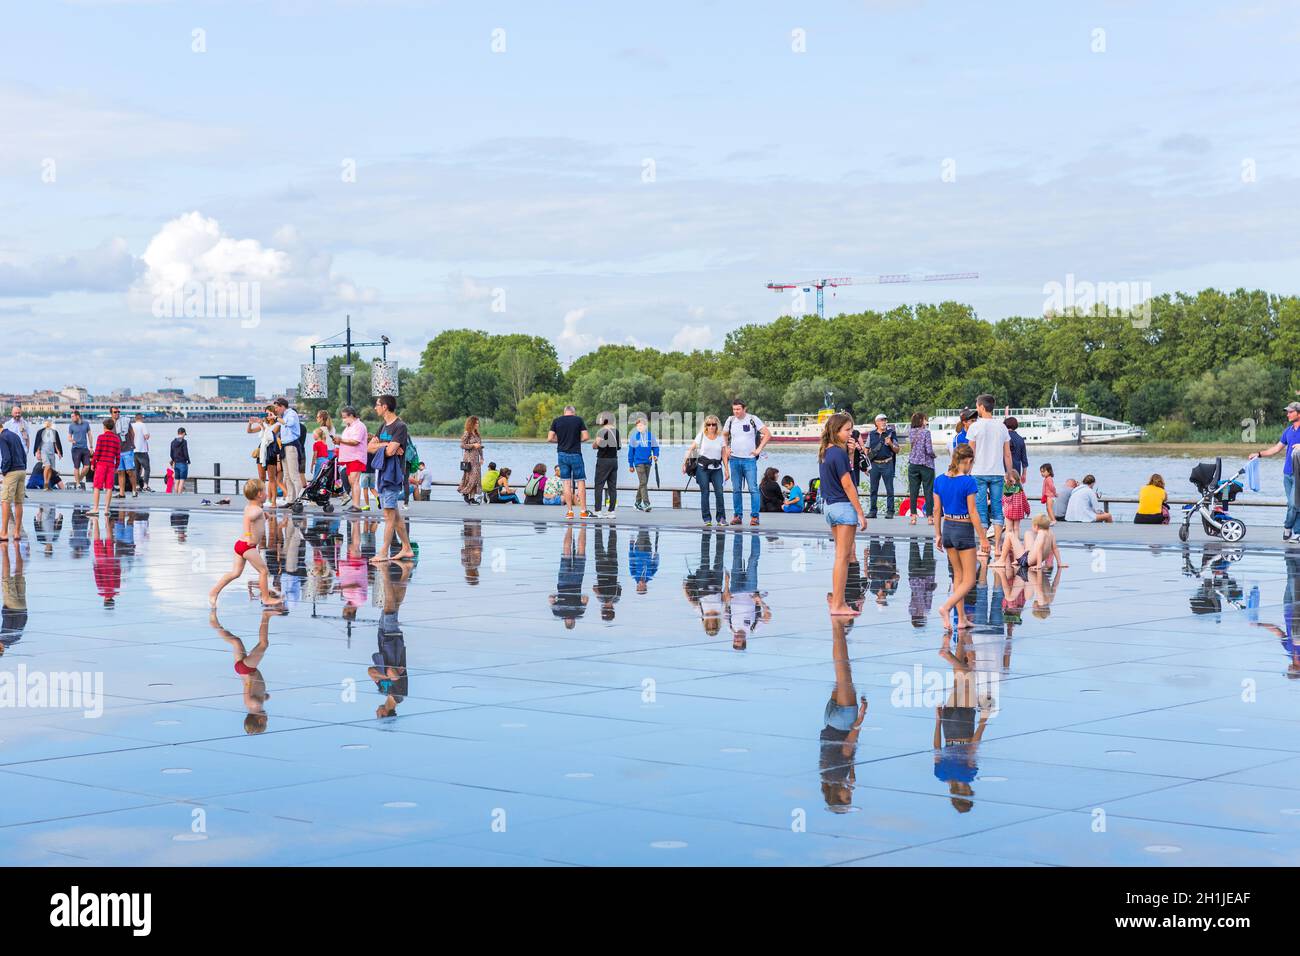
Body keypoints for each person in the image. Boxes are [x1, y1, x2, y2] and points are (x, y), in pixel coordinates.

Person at [933, 443, 988, 632]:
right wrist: (983, 538)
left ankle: (962, 618)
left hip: (947, 527)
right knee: (970, 579)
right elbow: (973, 512)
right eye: (972, 463)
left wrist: (938, 534)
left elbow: (936, 510)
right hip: (963, 529)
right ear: (968, 460)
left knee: (958, 575)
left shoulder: (939, 480)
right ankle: (946, 607)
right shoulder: (968, 481)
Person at [820, 413, 867, 616]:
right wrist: (860, 512)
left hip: (829, 507)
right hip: (843, 507)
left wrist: (849, 454)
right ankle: (838, 603)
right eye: (847, 430)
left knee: (841, 557)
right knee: (843, 558)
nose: (850, 433)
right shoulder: (838, 453)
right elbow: (848, 484)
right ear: (836, 431)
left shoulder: (826, 452)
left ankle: (837, 601)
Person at [208, 479, 282, 607]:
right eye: (265, 491)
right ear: (259, 494)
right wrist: (248, 536)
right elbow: (248, 519)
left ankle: (213, 592)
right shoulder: (256, 510)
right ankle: (266, 599)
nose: (266, 494)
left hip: (240, 545)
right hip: (248, 546)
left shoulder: (251, 507)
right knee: (263, 571)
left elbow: (251, 515)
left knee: (235, 573)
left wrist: (265, 515)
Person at [367, 395, 415, 563]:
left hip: (392, 475)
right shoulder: (383, 426)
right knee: (395, 515)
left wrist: (386, 447)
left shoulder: (400, 426)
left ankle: (383, 552)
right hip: (382, 473)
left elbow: (389, 452)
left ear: (385, 406)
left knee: (388, 515)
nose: (375, 407)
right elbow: (370, 447)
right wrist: (387, 445)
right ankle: (407, 549)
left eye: (377, 405)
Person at [966, 394, 1011, 555]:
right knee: (998, 509)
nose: (976, 408)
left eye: (977, 406)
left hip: (978, 472)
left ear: (982, 407)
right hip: (998, 473)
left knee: (981, 510)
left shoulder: (974, 427)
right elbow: (1007, 454)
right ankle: (998, 547)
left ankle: (983, 545)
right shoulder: (1002, 427)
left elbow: (970, 453)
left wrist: (967, 473)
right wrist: (1010, 472)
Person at [1249, 401, 1300, 541]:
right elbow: (1276, 449)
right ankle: (1297, 533)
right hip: (1287, 473)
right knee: (1295, 504)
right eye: (1287, 412)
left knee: (1293, 504)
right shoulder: (1288, 431)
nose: (1288, 414)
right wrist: (1258, 454)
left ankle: (1288, 527)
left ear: (1299, 413)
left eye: (1291, 412)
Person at [721, 399, 771, 527]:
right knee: (736, 489)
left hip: (749, 460)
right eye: (734, 409)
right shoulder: (730, 420)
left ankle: (755, 517)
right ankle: (737, 516)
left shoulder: (753, 419)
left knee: (753, 489)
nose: (736, 412)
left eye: (738, 409)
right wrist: (726, 447)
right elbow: (724, 434)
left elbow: (767, 434)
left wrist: (759, 449)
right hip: (734, 459)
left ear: (744, 409)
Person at [548, 405, 591, 519]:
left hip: (562, 455)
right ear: (573, 412)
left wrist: (560, 440)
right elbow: (586, 437)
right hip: (576, 454)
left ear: (564, 412)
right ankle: (582, 511)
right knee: (580, 482)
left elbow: (550, 438)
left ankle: (570, 512)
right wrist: (577, 440)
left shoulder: (556, 421)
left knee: (566, 483)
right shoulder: (578, 420)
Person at [685, 414, 728, 527]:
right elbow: (691, 449)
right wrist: (684, 464)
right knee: (705, 493)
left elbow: (723, 454)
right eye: (709, 424)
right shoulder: (701, 436)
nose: (711, 427)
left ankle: (721, 518)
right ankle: (707, 519)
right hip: (702, 468)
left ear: (717, 425)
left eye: (714, 424)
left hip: (717, 468)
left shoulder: (720, 438)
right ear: (706, 425)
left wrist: (727, 469)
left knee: (719, 493)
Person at [334, 406, 368, 512]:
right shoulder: (349, 426)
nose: (343, 419)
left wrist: (341, 440)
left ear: (351, 416)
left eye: (344, 417)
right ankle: (354, 504)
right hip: (350, 458)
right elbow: (347, 440)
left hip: (356, 457)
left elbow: (355, 441)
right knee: (351, 481)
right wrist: (339, 441)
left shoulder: (359, 426)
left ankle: (357, 505)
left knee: (354, 481)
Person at [865, 413, 899, 519]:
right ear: (876, 423)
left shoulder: (891, 433)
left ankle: (890, 511)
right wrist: (866, 465)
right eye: (881, 420)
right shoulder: (871, 434)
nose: (884, 422)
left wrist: (890, 444)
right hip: (874, 464)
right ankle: (873, 511)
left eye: (885, 420)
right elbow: (866, 450)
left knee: (890, 489)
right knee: (873, 489)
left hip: (887, 463)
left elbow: (897, 450)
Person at [248, 406, 282, 509]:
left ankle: (273, 502)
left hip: (271, 451)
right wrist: (250, 423)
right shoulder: (264, 424)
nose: (267, 416)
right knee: (261, 478)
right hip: (261, 451)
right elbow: (249, 431)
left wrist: (262, 424)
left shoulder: (278, 424)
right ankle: (260, 501)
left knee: (272, 478)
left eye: (269, 413)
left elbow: (271, 435)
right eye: (266, 414)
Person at [272, 398, 303, 510]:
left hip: (291, 446)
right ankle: (290, 500)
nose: (275, 410)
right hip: (284, 447)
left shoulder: (291, 414)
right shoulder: (284, 416)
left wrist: (276, 418)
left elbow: (289, 423)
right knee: (287, 476)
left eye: (276, 407)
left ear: (282, 406)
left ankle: (299, 500)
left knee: (294, 474)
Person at [907, 411, 936, 527]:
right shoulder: (926, 433)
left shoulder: (910, 432)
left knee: (913, 492)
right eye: (925, 419)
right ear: (921, 420)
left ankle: (913, 517)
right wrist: (934, 455)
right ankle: (929, 517)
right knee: (928, 491)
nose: (926, 421)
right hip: (926, 465)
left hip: (913, 464)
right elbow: (928, 450)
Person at [627, 415, 659, 512]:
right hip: (638, 463)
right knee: (643, 483)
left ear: (645, 426)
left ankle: (637, 503)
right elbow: (630, 452)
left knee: (643, 483)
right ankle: (646, 504)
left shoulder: (650, 436)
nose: (639, 427)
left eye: (641, 425)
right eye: (638, 426)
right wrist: (630, 465)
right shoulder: (634, 437)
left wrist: (656, 455)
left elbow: (656, 447)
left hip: (648, 462)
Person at [591, 411, 620, 517]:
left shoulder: (601, 431)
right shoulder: (616, 431)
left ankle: (598, 511)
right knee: (612, 486)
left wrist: (595, 443)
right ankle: (611, 511)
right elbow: (618, 447)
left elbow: (595, 445)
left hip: (603, 460)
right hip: (614, 460)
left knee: (599, 485)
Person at [0, 424, 26, 541]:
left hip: (11, 472)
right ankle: (16, 533)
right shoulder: (15, 435)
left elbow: (6, 458)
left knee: (5, 501)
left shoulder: (2, 437)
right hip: (21, 470)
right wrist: (24, 467)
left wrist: (4, 470)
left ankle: (4, 533)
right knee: (18, 502)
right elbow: (23, 454)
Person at [89, 418, 120, 514]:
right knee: (109, 487)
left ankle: (96, 508)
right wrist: (116, 467)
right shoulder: (116, 439)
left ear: (104, 427)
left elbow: (97, 452)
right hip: (111, 465)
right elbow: (118, 455)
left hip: (101, 464)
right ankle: (106, 509)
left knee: (97, 487)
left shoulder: (100, 437)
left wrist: (93, 463)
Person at [458, 416, 484, 504]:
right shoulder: (467, 433)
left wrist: (482, 457)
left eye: (478, 423)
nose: (477, 424)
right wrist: (473, 445)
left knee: (476, 478)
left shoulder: (477, 434)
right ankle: (465, 493)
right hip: (469, 459)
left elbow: (480, 447)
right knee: (471, 477)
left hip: (476, 459)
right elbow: (462, 445)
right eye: (476, 423)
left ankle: (472, 498)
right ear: (471, 423)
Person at [33, 420, 62, 492]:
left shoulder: (54, 432)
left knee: (51, 469)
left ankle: (47, 483)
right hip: (44, 451)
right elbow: (38, 442)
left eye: (49, 423)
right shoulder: (40, 432)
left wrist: (58, 452)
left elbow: (56, 443)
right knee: (47, 466)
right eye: (46, 423)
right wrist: (37, 452)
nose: (48, 424)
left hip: (51, 452)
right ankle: (45, 483)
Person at [1001, 468, 1030, 539]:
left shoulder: (1006, 489)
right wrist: (1027, 510)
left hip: (1009, 512)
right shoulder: (1020, 489)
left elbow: (1005, 501)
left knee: (1008, 529)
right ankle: (1016, 543)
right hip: (1018, 512)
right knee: (1016, 528)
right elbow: (1024, 501)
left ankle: (1007, 544)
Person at [67, 410, 91, 490]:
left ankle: (79, 480)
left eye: (73, 416)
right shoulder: (71, 426)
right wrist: (71, 440)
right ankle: (78, 484)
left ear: (78, 416)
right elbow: (69, 436)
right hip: (75, 449)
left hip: (85, 448)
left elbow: (89, 435)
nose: (72, 418)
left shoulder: (86, 424)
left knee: (87, 467)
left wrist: (91, 446)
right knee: (76, 467)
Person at [130, 414, 152, 492]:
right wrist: (148, 435)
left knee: (136, 469)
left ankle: (137, 486)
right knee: (147, 468)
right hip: (142, 450)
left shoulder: (131, 426)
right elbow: (146, 436)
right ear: (141, 418)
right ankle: (145, 485)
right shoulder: (143, 425)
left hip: (133, 450)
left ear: (135, 418)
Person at [311, 411, 334, 480]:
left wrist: (313, 463)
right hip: (332, 453)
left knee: (319, 474)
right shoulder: (332, 428)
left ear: (321, 418)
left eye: (317, 417)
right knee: (328, 475)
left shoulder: (321, 430)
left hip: (323, 454)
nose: (316, 418)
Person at [1005, 416, 1029, 483]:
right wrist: (1024, 474)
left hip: (1004, 470)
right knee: (1015, 492)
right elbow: (1024, 460)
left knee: (1005, 492)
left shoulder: (1003, 438)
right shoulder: (1020, 439)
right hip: (1016, 472)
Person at [169, 428, 190, 494]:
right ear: (183, 433)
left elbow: (171, 454)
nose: (184, 436)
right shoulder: (184, 442)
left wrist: (174, 460)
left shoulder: (172, 442)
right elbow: (185, 452)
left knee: (177, 480)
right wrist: (188, 460)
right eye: (184, 434)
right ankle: (179, 495)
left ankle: (176, 495)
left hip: (176, 463)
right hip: (183, 463)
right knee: (182, 480)